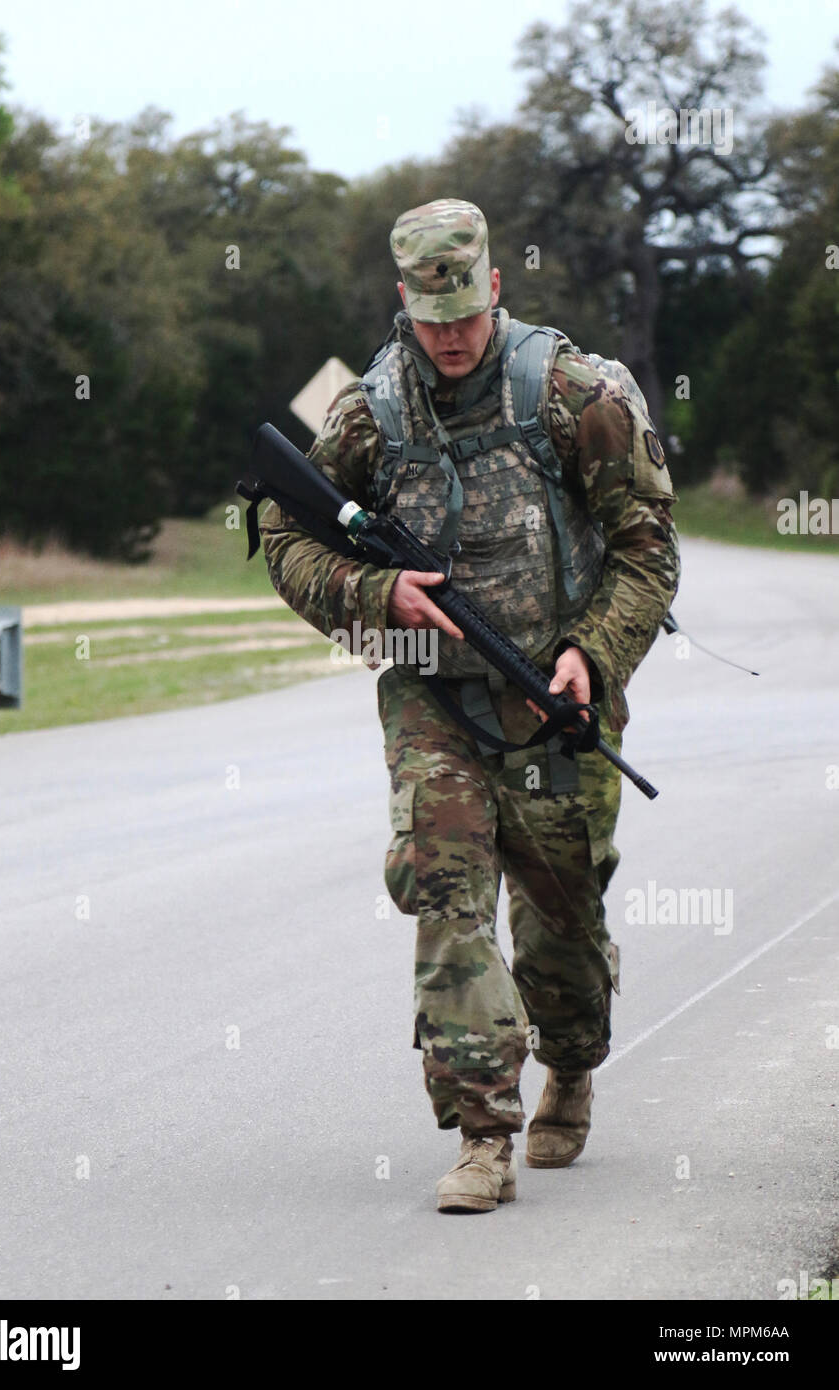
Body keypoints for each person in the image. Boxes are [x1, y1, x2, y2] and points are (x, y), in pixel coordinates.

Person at [261, 198, 680, 1213]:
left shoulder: (574, 395)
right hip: (433, 696)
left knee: (558, 927)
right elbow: (286, 535)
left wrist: (593, 652)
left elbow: (646, 548)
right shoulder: (369, 411)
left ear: (495, 287)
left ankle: (571, 1060)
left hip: (559, 699)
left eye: (464, 314)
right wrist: (377, 593)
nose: (448, 338)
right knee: (445, 895)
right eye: (428, 319)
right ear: (405, 304)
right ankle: (480, 1131)